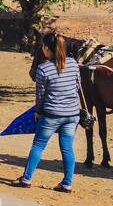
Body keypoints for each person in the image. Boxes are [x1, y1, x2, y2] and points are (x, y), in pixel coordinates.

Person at [14, 31, 82, 192]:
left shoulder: (43, 69)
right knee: (67, 148)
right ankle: (67, 183)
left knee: (38, 145)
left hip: (51, 114)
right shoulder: (73, 63)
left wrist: (38, 111)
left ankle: (26, 178)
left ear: (45, 48)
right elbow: (77, 86)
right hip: (72, 115)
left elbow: (40, 95)